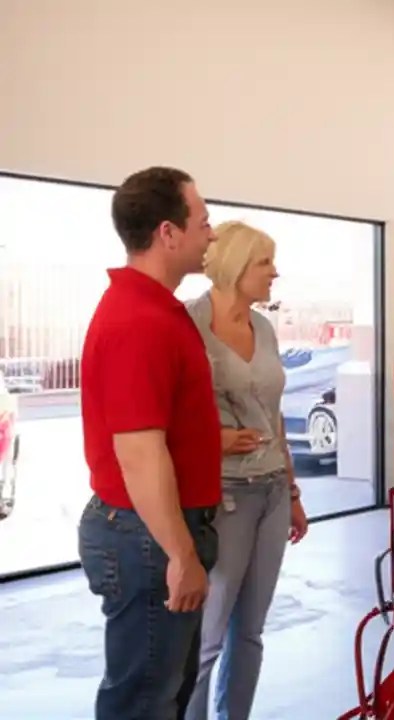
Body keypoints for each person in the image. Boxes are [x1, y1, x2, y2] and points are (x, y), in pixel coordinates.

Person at [78, 166, 222, 719]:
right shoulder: (140, 320)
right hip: (148, 538)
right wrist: (181, 554)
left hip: (154, 531)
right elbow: (138, 454)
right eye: (203, 222)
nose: (211, 235)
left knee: (166, 695)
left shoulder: (158, 311)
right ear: (169, 233)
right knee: (143, 701)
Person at [185, 220, 309, 720]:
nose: (274, 273)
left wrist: (294, 493)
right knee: (209, 638)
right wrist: (213, 440)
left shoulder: (264, 328)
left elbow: (274, 415)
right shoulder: (189, 323)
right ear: (237, 266)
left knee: (250, 632)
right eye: (265, 263)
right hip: (224, 495)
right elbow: (165, 414)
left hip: (273, 490)